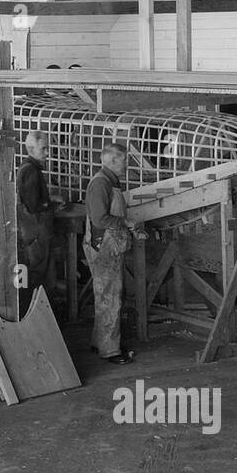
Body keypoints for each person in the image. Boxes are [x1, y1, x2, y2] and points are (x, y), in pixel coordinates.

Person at [84, 140, 145, 364]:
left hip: (109, 245)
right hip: (104, 247)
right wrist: (126, 222)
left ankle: (100, 341)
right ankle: (110, 350)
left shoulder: (110, 181)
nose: (127, 165)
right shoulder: (101, 184)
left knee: (105, 296)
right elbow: (100, 219)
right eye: (124, 161)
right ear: (111, 160)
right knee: (110, 298)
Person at [16, 130, 57, 316]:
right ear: (31, 149)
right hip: (34, 233)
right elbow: (33, 206)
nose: (48, 153)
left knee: (39, 275)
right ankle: (34, 317)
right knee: (36, 276)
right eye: (44, 149)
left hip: (33, 233)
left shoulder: (28, 169)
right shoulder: (31, 171)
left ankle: (37, 315)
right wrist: (50, 203)